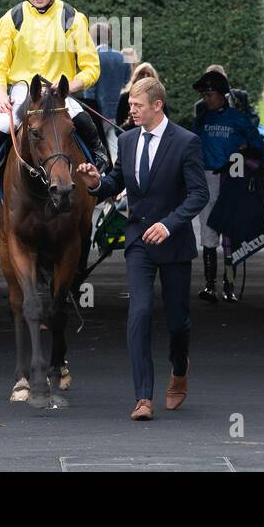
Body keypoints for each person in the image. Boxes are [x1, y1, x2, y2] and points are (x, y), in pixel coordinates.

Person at [76, 77, 209, 421]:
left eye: (136, 105)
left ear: (157, 106)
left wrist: (169, 224)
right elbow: (116, 181)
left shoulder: (187, 142)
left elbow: (199, 194)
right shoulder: (128, 139)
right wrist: (95, 182)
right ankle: (143, 398)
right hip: (137, 242)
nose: (130, 110)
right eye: (130, 105)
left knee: (179, 323)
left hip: (174, 242)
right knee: (139, 313)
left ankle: (180, 369)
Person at [0, 0, 106, 192]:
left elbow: (91, 67)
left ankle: (101, 162)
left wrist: (70, 86)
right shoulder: (11, 18)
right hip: (23, 90)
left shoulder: (73, 17)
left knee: (86, 124)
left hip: (59, 93)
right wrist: (1, 96)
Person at [191, 67, 264, 304]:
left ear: (222, 94)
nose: (206, 99)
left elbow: (260, 149)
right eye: (204, 95)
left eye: (209, 94)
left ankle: (229, 286)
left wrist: (248, 155)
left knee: (231, 236)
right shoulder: (202, 119)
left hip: (232, 181)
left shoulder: (240, 119)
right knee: (208, 232)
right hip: (207, 179)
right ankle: (210, 286)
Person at [83, 21, 131, 164]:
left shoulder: (93, 57)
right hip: (118, 113)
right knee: (114, 147)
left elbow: (89, 90)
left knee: (96, 149)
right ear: (109, 37)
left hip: (98, 113)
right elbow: (127, 85)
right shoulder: (122, 57)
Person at [116, 62, 166, 130]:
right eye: (142, 74)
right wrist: (128, 123)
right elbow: (118, 130)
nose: (145, 77)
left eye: (148, 74)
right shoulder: (125, 98)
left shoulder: (158, 98)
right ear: (135, 77)